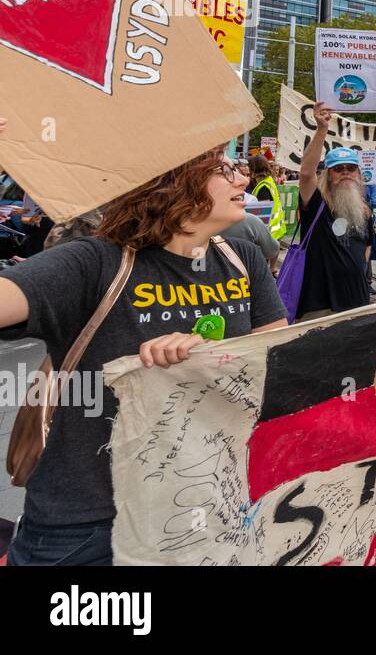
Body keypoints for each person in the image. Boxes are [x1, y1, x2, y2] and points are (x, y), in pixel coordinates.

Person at [0, 148, 287, 565]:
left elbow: (275, 366)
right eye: (224, 169)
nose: (243, 178)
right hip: (89, 525)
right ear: (174, 182)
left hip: (205, 508)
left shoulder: (242, 261)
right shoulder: (94, 261)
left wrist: (208, 357)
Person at [294, 103, 375, 319]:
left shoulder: (364, 209)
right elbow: (305, 173)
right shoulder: (317, 204)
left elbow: (367, 246)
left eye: (351, 168)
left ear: (358, 173)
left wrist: (356, 267)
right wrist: (321, 129)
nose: (345, 173)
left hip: (358, 301)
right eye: (339, 169)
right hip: (321, 305)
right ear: (328, 174)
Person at [249, 154, 287, 242]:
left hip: (269, 235)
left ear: (253, 169)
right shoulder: (269, 181)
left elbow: (262, 218)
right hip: (277, 232)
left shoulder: (263, 188)